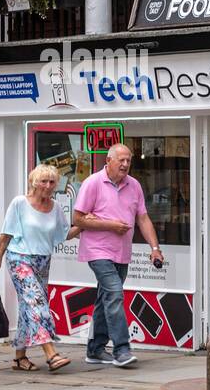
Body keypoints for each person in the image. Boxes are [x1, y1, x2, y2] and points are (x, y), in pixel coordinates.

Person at [71, 144, 165, 367]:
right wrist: (111, 225)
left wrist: (154, 248)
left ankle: (95, 350)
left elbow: (142, 218)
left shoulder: (134, 186)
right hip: (97, 250)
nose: (125, 164)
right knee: (114, 293)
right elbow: (77, 219)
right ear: (108, 160)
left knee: (105, 299)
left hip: (122, 253)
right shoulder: (93, 182)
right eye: (121, 160)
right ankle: (121, 349)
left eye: (128, 161)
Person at [0, 164, 81, 372]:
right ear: (34, 182)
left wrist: (85, 224)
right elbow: (6, 234)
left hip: (42, 261)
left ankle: (20, 358)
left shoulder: (56, 207)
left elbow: (64, 234)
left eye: (52, 182)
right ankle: (51, 354)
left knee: (27, 307)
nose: (48, 186)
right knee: (37, 303)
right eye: (43, 181)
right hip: (19, 258)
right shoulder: (20, 203)